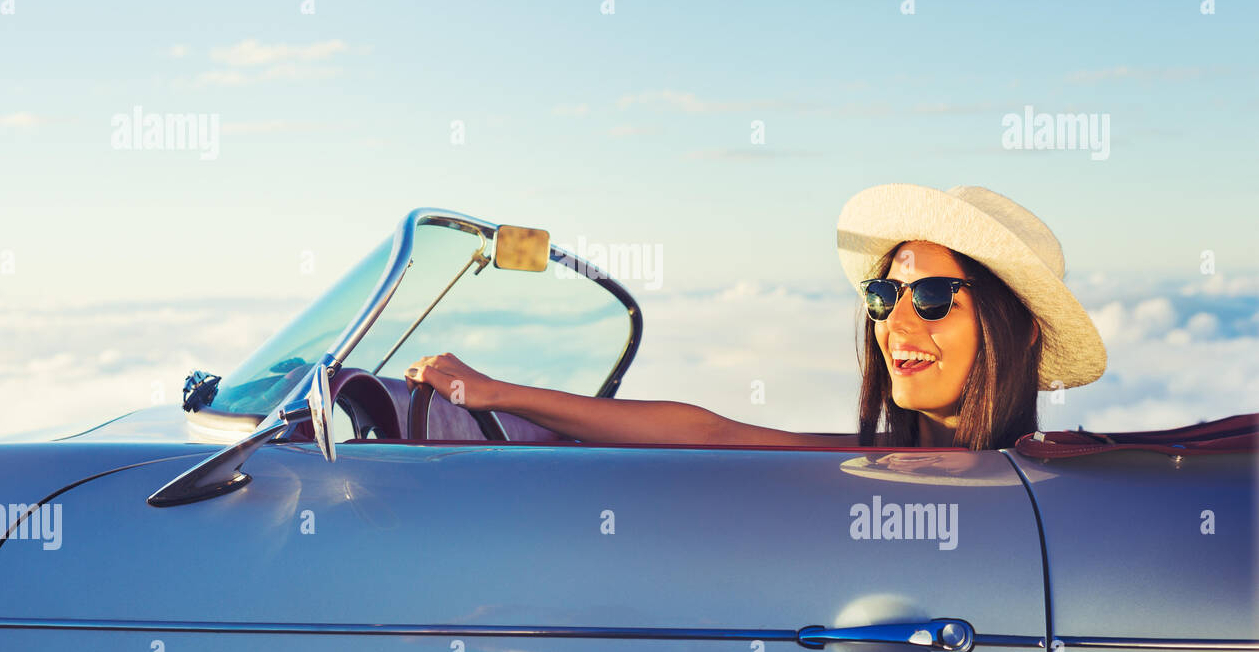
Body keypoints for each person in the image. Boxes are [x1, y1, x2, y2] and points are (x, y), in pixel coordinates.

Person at [404, 184, 1106, 450]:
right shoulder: (884, 465)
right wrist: (493, 392)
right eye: (884, 299)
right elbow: (709, 432)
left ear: (1021, 329)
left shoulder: (1046, 484)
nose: (897, 326)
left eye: (931, 299)